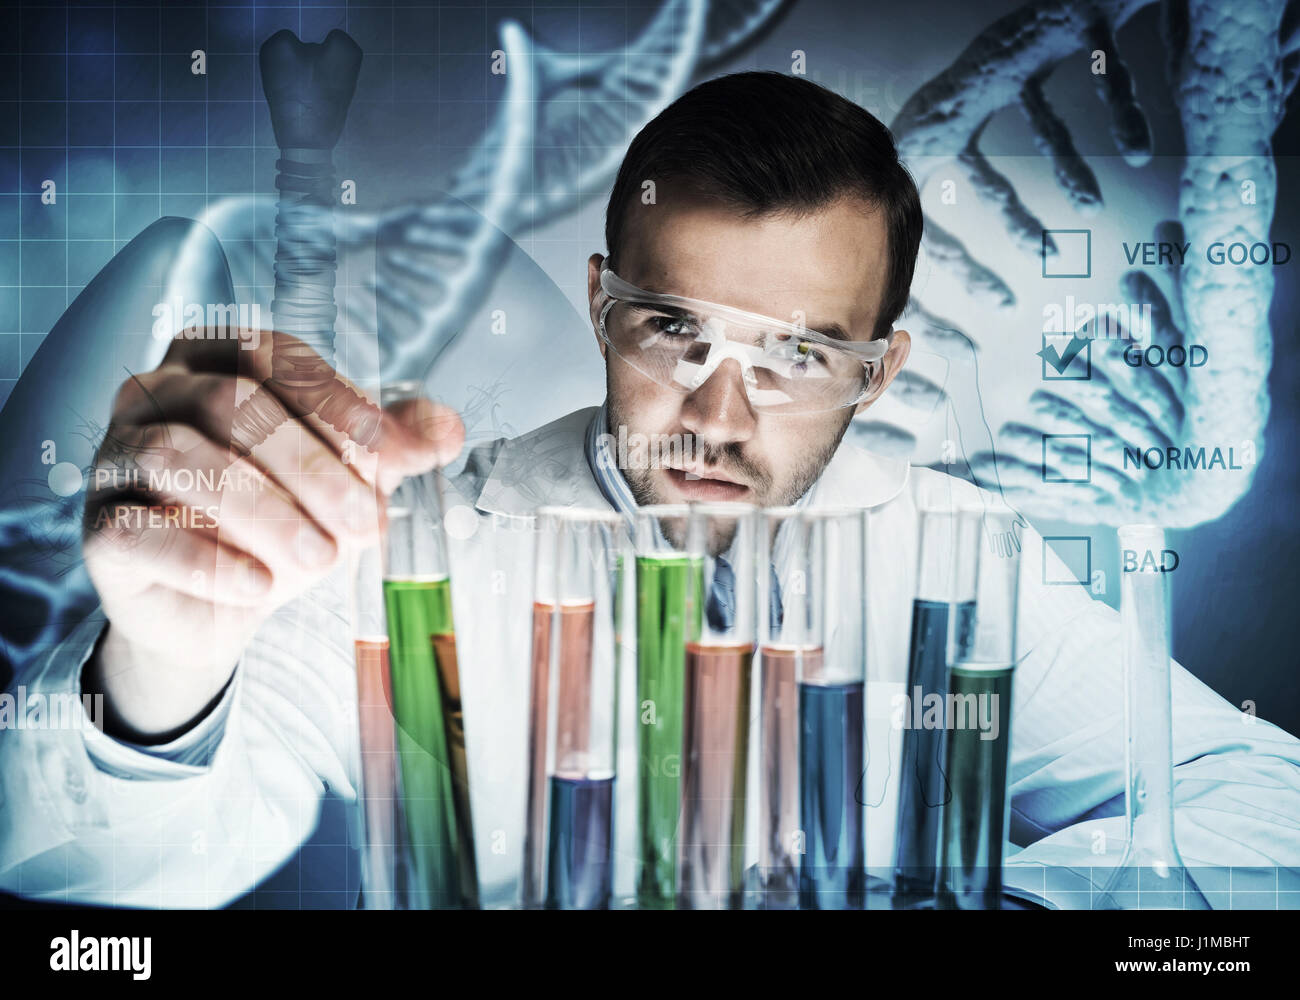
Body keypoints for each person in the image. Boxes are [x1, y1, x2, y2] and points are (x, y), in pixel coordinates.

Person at [2, 72, 1298, 909]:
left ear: (881, 367)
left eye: (798, 355)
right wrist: (162, 664)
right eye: (675, 331)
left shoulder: (960, 558)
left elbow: (1260, 804)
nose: (719, 417)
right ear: (600, 305)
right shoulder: (417, 546)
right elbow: (102, 880)